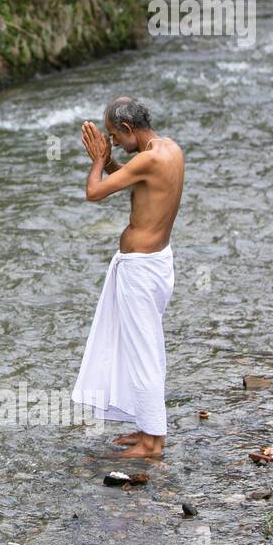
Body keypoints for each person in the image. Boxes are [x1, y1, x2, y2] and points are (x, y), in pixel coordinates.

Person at [73, 97, 184, 458]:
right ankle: (146, 429)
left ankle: (153, 444)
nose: (112, 141)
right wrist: (109, 162)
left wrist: (96, 164)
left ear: (128, 128)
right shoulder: (168, 150)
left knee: (145, 353)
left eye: (114, 136)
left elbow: (94, 193)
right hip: (156, 264)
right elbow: (137, 177)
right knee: (141, 350)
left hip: (141, 271)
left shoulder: (149, 158)